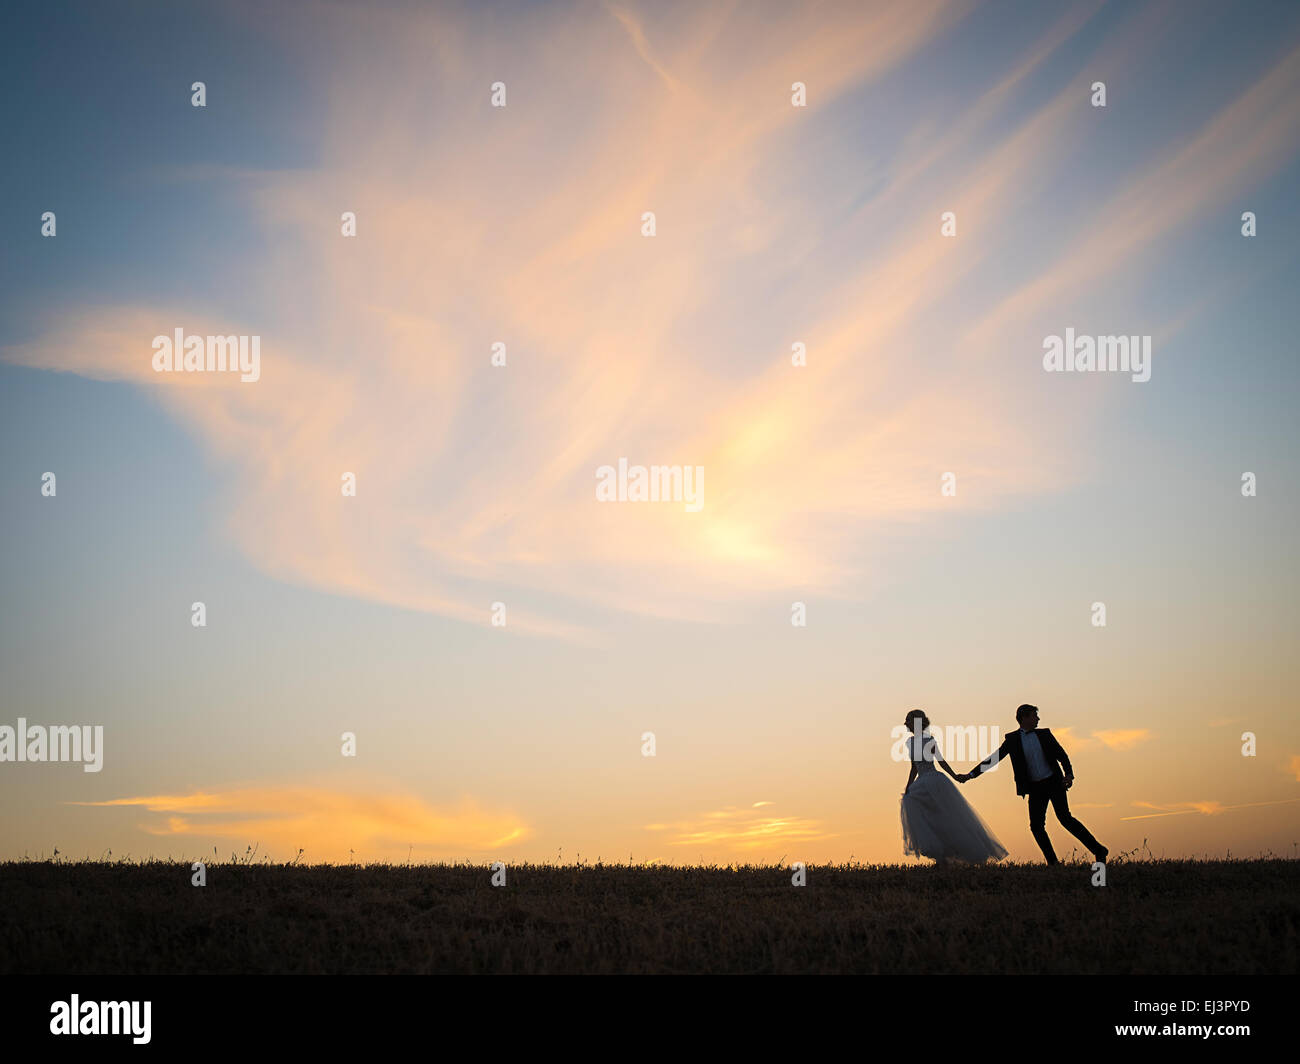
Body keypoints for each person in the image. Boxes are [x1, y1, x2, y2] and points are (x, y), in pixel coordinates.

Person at [959, 703, 1108, 866]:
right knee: (1036, 826)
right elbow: (994, 758)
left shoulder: (1045, 734)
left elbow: (1061, 755)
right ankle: (1053, 862)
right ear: (1024, 718)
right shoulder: (1012, 739)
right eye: (1034, 716)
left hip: (1053, 782)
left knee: (1065, 818)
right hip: (1035, 788)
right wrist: (971, 775)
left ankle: (1098, 850)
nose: (1038, 719)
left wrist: (1069, 774)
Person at [900, 709, 1007, 864]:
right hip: (921, 782)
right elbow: (914, 767)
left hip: (934, 781)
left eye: (908, 720)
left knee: (944, 817)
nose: (906, 724)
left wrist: (955, 776)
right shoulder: (909, 742)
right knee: (923, 813)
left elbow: (941, 761)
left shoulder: (929, 740)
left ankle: (955, 852)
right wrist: (908, 786)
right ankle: (940, 855)